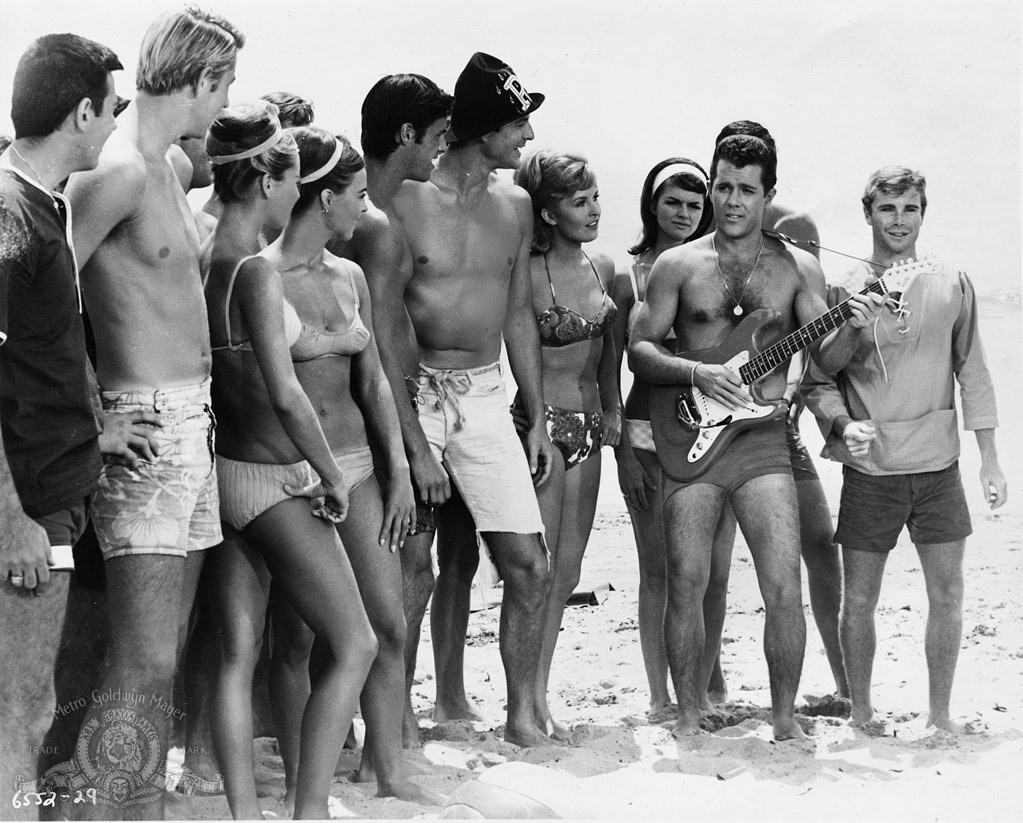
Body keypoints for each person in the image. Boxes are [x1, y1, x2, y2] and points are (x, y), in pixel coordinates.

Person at [629, 134, 884, 739]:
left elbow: (826, 354)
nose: (731, 201)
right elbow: (639, 350)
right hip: (691, 434)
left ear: (768, 194)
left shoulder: (798, 268)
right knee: (687, 579)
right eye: (723, 187)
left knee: (782, 581)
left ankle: (783, 720)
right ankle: (688, 713)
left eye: (746, 189)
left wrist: (855, 328)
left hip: (764, 437)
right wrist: (696, 369)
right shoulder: (677, 265)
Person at [62, 8, 244, 814]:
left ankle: (123, 805)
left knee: (162, 652)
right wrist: (95, 412)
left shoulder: (166, 164)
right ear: (202, 80)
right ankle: (91, 808)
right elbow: (36, 290)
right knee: (140, 658)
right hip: (146, 425)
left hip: (190, 426)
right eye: (226, 80)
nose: (227, 97)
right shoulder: (122, 170)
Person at [0, 33, 165, 816]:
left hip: (50, 490)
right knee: (19, 715)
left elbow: (33, 367)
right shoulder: (11, 216)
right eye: (113, 105)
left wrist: (88, 437)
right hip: (27, 511)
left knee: (28, 708)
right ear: (81, 110)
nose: (117, 123)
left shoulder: (41, 205)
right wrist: (12, 524)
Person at [200, 105, 376, 820]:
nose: (292, 191)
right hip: (276, 481)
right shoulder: (255, 274)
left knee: (236, 654)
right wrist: (332, 473)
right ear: (265, 180)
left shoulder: (206, 256)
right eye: (289, 177)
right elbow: (288, 395)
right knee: (355, 641)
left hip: (225, 474)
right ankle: (308, 811)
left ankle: (246, 813)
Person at [266, 125, 440, 804]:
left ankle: (387, 772)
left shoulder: (352, 275)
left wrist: (396, 471)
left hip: (360, 464)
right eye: (358, 196)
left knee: (388, 621)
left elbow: (374, 382)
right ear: (324, 199)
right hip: (296, 473)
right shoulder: (262, 276)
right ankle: (299, 778)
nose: (366, 211)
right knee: (296, 636)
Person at [802, 166, 1006, 732]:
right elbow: (818, 378)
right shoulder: (842, 286)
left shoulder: (951, 279)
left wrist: (989, 459)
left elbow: (975, 372)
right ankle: (863, 712)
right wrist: (843, 426)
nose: (899, 220)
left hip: (940, 467)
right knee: (859, 599)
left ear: (923, 213)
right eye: (887, 209)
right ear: (867, 213)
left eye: (910, 209)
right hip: (872, 468)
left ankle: (940, 717)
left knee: (948, 593)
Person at [387, 52, 553, 747]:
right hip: (418, 388)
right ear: (481, 127)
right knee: (411, 570)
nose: (527, 139)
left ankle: (519, 713)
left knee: (530, 564)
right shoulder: (402, 200)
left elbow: (517, 315)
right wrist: (405, 428)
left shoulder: (514, 207)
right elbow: (385, 316)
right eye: (517, 123)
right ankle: (396, 719)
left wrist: (536, 415)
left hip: (486, 395)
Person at [325, 72, 454, 748]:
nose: (439, 150)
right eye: (434, 137)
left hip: (351, 415)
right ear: (404, 135)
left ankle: (369, 722)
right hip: (377, 420)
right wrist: (414, 449)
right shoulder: (373, 225)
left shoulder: (348, 209)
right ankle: (391, 722)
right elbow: (376, 343)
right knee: (405, 572)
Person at [713, 120, 848, 697]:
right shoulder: (717, 229)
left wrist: (797, 396)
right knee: (711, 568)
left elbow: (807, 336)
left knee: (820, 542)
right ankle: (710, 686)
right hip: (716, 426)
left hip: (777, 424)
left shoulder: (798, 230)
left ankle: (846, 681)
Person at [610, 157, 735, 716]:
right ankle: (661, 695)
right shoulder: (628, 276)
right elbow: (611, 369)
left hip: (714, 431)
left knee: (713, 569)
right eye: (672, 202)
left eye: (693, 203)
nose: (683, 214)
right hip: (645, 432)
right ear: (651, 205)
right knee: (658, 569)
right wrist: (622, 456)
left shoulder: (716, 266)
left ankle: (706, 685)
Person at [511, 150, 620, 737]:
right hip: (542, 423)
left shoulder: (605, 267)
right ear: (547, 214)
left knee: (571, 568)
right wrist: (534, 421)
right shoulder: (527, 273)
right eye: (579, 202)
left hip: (589, 427)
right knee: (540, 567)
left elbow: (610, 357)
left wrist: (615, 413)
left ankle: (541, 689)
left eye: (596, 196)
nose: (594, 209)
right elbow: (519, 350)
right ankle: (522, 697)